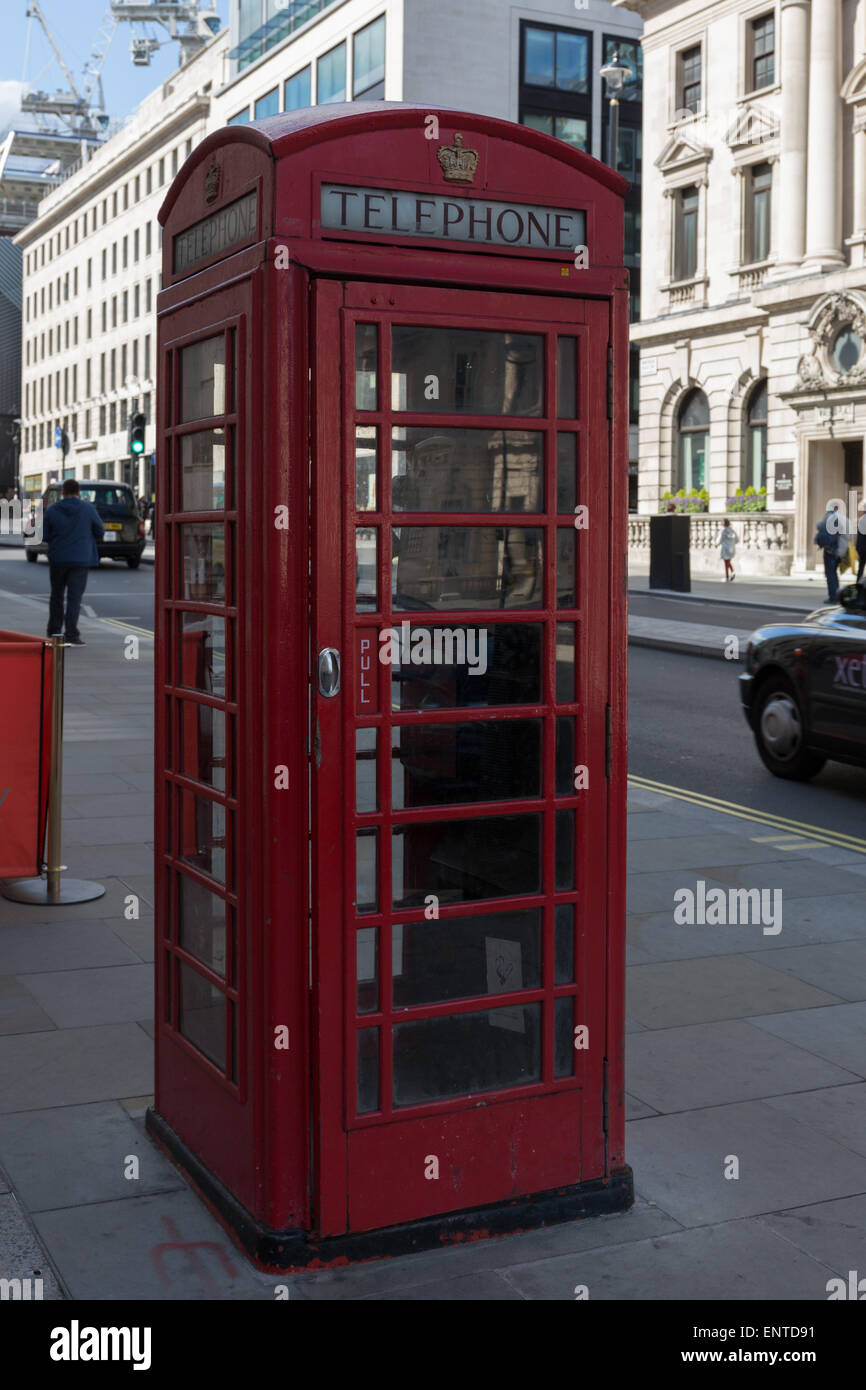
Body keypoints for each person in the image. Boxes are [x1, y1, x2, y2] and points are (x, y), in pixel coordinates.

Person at [42, 479, 103, 645]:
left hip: (58, 559)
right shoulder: (88, 509)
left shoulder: (52, 510)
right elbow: (100, 530)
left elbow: (44, 535)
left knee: (56, 596)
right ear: (78, 491)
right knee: (74, 598)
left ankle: (54, 631)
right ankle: (71, 634)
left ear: (63, 491)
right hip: (80, 560)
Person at [814, 503, 847, 604]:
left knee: (830, 574)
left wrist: (820, 543)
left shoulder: (828, 518)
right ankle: (836, 596)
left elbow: (819, 527)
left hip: (830, 551)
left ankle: (833, 597)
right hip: (838, 551)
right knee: (834, 574)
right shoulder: (840, 519)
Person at [718, 517, 738, 581]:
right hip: (732, 548)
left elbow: (720, 540)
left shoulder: (724, 531)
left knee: (726, 562)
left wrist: (717, 543)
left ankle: (727, 576)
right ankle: (732, 572)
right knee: (728, 562)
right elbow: (737, 540)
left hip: (725, 548)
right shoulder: (732, 531)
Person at [857, 499, 866, 585]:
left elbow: (859, 539)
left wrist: (858, 551)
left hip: (862, 549)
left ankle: (858, 586)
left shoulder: (861, 521)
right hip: (863, 549)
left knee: (860, 569)